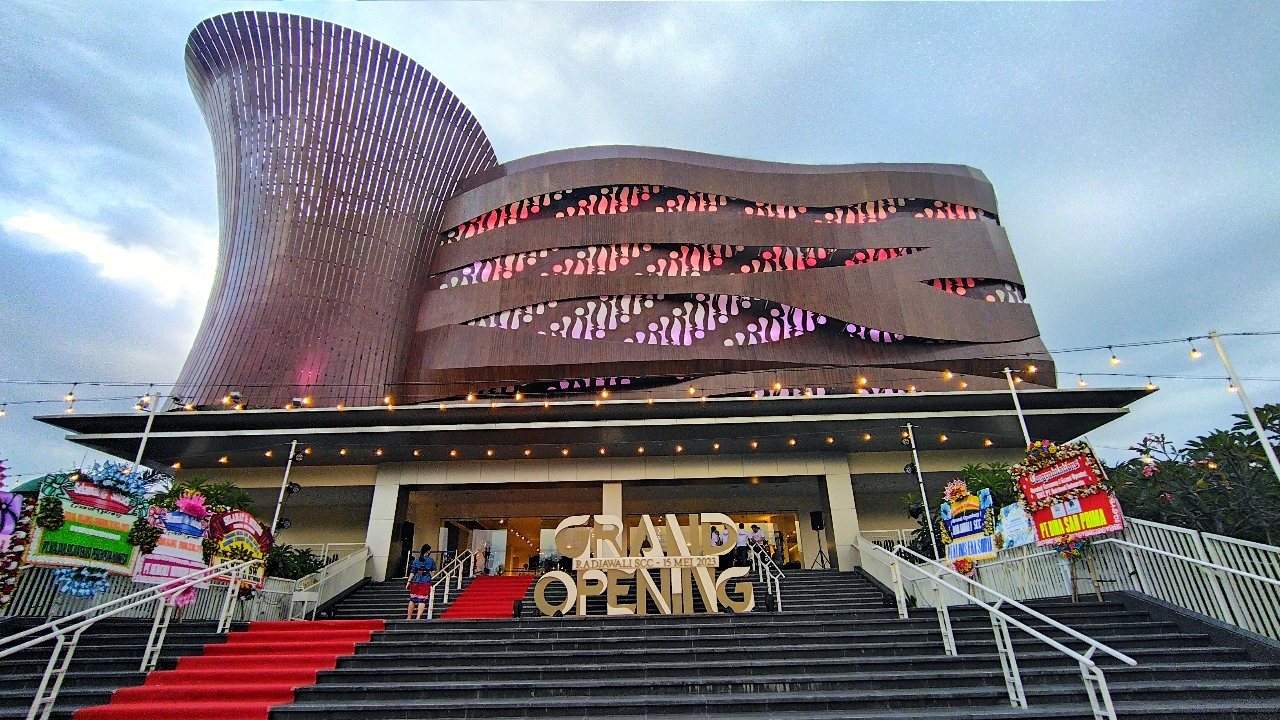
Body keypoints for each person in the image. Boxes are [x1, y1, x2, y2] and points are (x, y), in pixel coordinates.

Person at [405, 544, 437, 620]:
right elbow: (433, 571)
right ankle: (418, 617)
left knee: (412, 599)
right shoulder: (431, 560)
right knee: (422, 600)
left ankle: (409, 617)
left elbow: (412, 572)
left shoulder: (416, 560)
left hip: (416, 579)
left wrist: (408, 581)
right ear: (428, 551)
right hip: (426, 580)